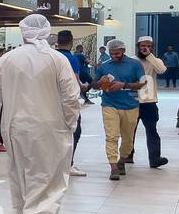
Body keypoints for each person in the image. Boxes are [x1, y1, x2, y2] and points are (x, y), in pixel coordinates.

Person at [0, 15, 82, 214]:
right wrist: (70, 124)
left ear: (22, 33)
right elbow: (71, 97)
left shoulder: (7, 59)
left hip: (14, 128)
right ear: (48, 32)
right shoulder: (57, 59)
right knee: (51, 180)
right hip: (51, 127)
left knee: (22, 180)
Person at [96, 39, 147, 180]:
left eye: (117, 53)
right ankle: (113, 167)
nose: (114, 56)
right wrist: (99, 83)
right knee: (111, 136)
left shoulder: (135, 64)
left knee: (128, 139)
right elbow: (94, 84)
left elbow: (143, 83)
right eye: (111, 54)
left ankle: (122, 161)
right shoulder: (104, 66)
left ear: (123, 51)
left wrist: (123, 85)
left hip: (130, 106)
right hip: (109, 104)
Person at [130, 36, 168, 170]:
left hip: (149, 101)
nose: (146, 48)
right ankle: (128, 155)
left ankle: (155, 159)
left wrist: (150, 56)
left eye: (149, 46)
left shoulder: (155, 60)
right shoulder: (132, 61)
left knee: (152, 130)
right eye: (143, 46)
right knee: (129, 130)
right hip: (133, 100)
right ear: (138, 47)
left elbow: (162, 70)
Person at [55, 29, 89, 176]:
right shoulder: (72, 58)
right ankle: (68, 164)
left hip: (50, 100)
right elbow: (74, 80)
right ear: (71, 41)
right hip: (67, 101)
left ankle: (54, 163)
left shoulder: (52, 56)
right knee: (75, 131)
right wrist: (84, 87)